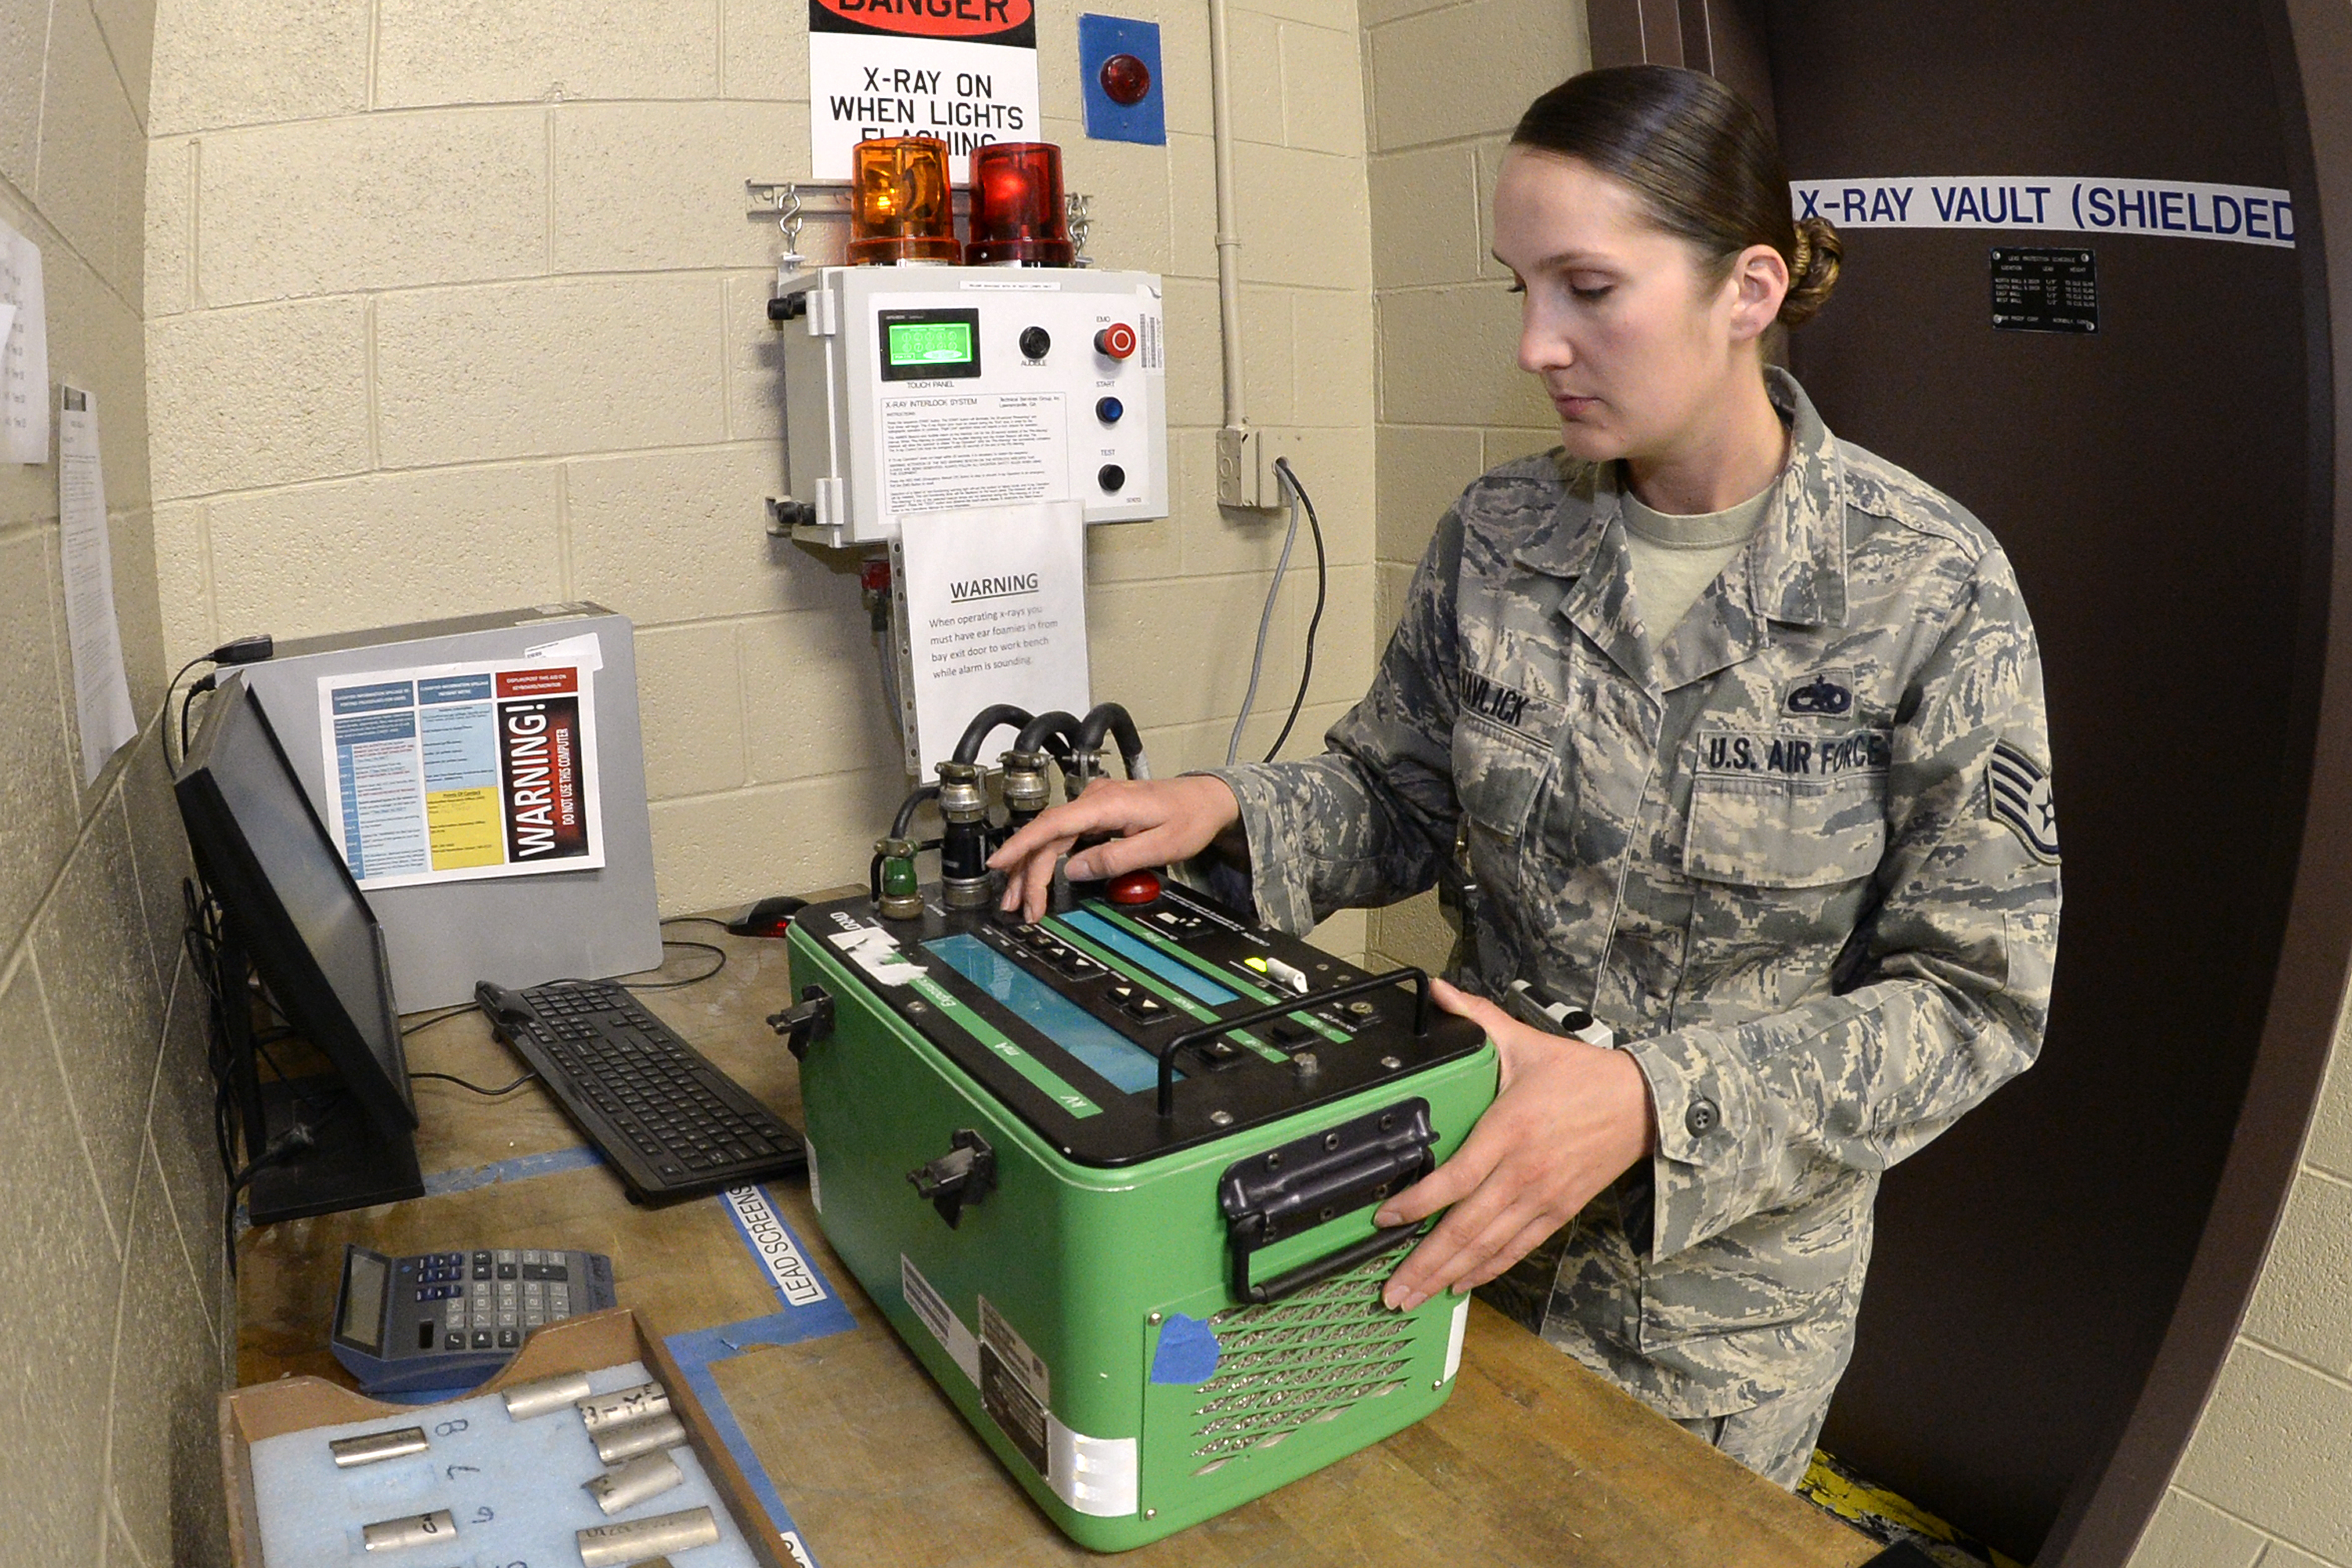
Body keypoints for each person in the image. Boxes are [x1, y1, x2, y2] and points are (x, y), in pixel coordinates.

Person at [989, 63, 2061, 1487]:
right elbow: (1396, 798)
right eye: (1520, 290)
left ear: (1747, 290)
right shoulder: (1501, 533)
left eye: (1588, 289)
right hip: (1441, 1224)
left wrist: (1649, 1103)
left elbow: (1974, 997)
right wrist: (1226, 809)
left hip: (1711, 1330)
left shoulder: (1927, 587)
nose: (1537, 345)